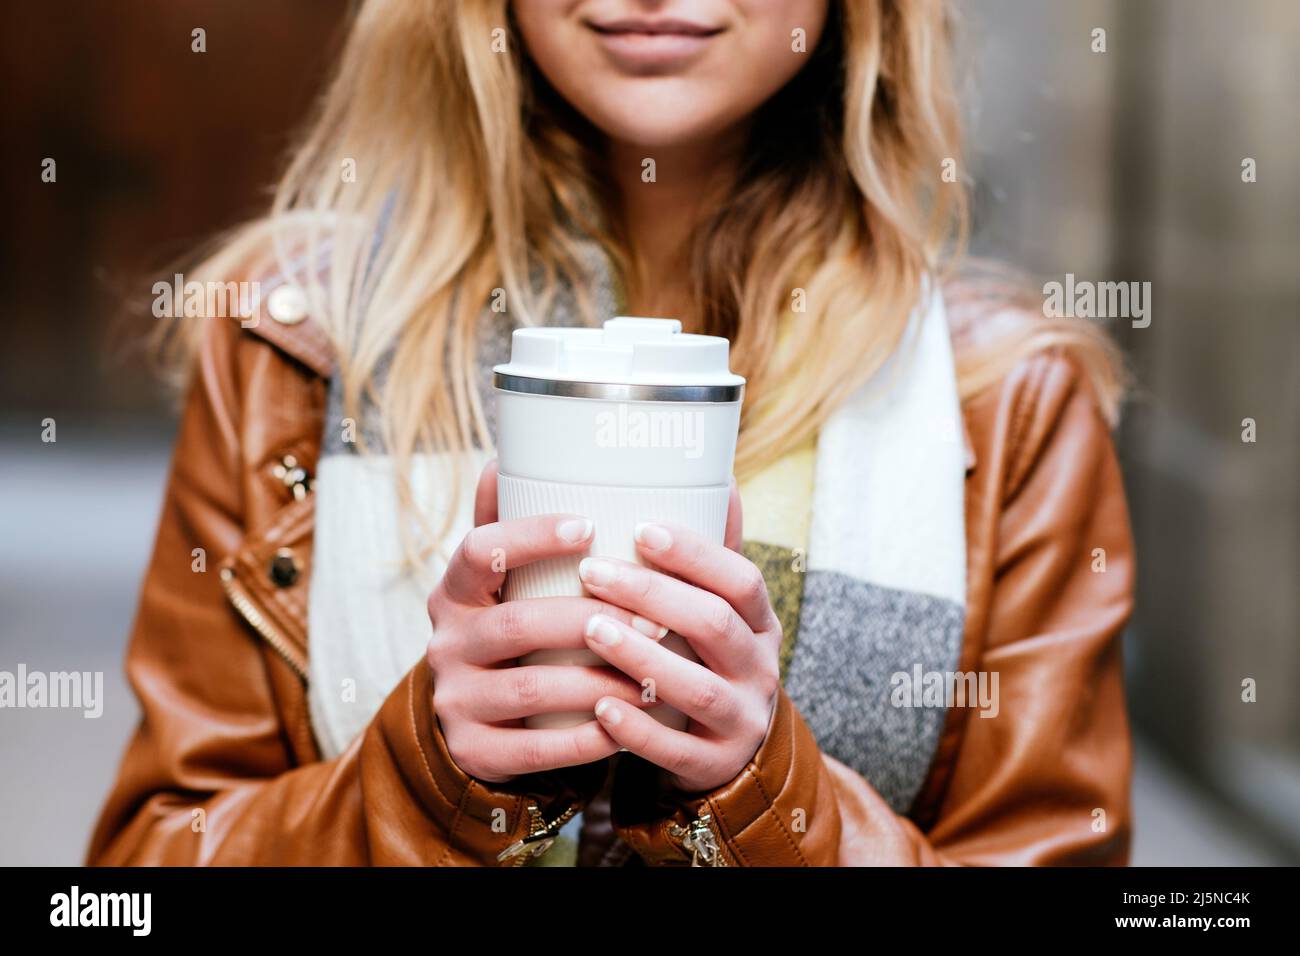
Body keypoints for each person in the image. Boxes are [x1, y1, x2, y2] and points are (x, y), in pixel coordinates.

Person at [88, 0, 1133, 867]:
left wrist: (767, 798)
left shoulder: (1004, 403)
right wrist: (426, 782)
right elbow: (138, 873)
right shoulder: (301, 344)